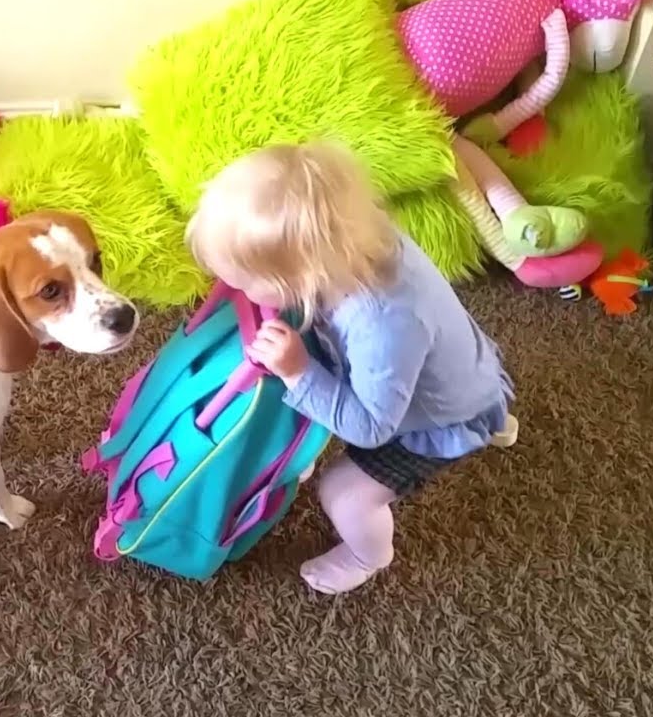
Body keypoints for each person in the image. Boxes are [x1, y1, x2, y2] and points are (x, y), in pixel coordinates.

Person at [185, 141, 517, 594]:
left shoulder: (383, 323)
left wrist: (299, 371)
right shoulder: (355, 238)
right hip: (468, 367)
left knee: (342, 492)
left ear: (305, 279)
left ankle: (369, 554)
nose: (231, 286)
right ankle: (492, 415)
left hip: (435, 419)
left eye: (244, 280)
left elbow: (371, 428)